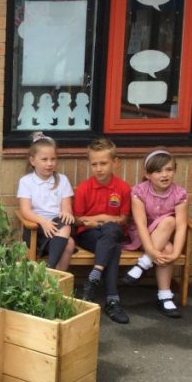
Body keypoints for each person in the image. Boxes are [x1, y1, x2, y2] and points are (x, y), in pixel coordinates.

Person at [122, 147, 189, 318]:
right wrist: (151, 251)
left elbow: (182, 226)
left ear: (175, 170)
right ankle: (162, 291)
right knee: (170, 221)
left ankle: (145, 268)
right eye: (158, 171)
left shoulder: (179, 194)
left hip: (161, 239)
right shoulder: (139, 191)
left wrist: (175, 253)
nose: (164, 175)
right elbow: (141, 224)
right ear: (147, 174)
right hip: (141, 237)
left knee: (168, 248)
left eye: (169, 169)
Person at [73, 137, 131, 324]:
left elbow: (124, 219)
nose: (99, 168)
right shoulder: (84, 188)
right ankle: (112, 300)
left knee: (112, 232)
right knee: (113, 245)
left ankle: (95, 275)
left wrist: (100, 219)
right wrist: (103, 221)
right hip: (88, 234)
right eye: (94, 164)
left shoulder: (123, 188)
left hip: (112, 233)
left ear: (115, 162)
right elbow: (78, 219)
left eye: (103, 163)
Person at [17, 132, 74, 271]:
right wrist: (43, 222)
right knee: (69, 242)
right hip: (37, 229)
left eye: (53, 159)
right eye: (44, 159)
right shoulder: (26, 182)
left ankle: (51, 271)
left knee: (68, 236)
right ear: (32, 161)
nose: (49, 163)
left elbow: (66, 208)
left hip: (58, 229)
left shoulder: (62, 180)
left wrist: (67, 213)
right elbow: (25, 210)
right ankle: (53, 274)